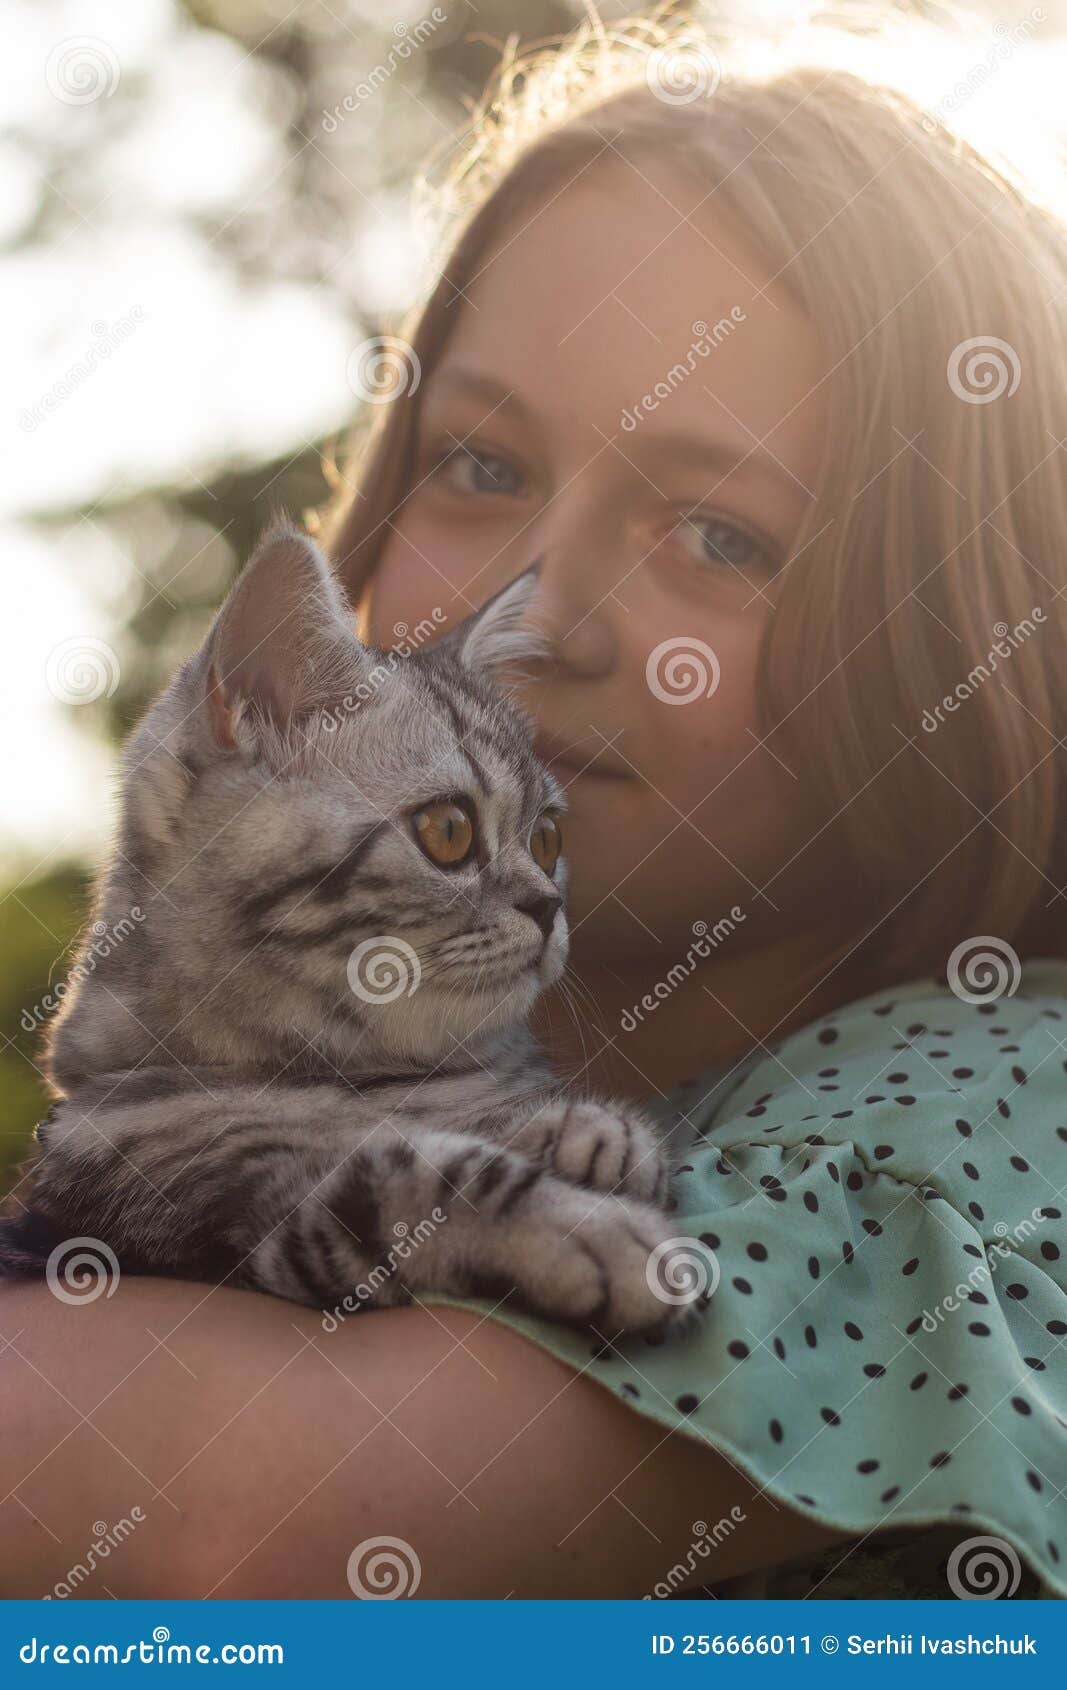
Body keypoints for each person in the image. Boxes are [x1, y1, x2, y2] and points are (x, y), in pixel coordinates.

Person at [2, 10, 1065, 1600]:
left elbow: (221, 1518)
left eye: (720, 534)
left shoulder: (1003, 1117)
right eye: (482, 468)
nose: (545, 610)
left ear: (961, 642)